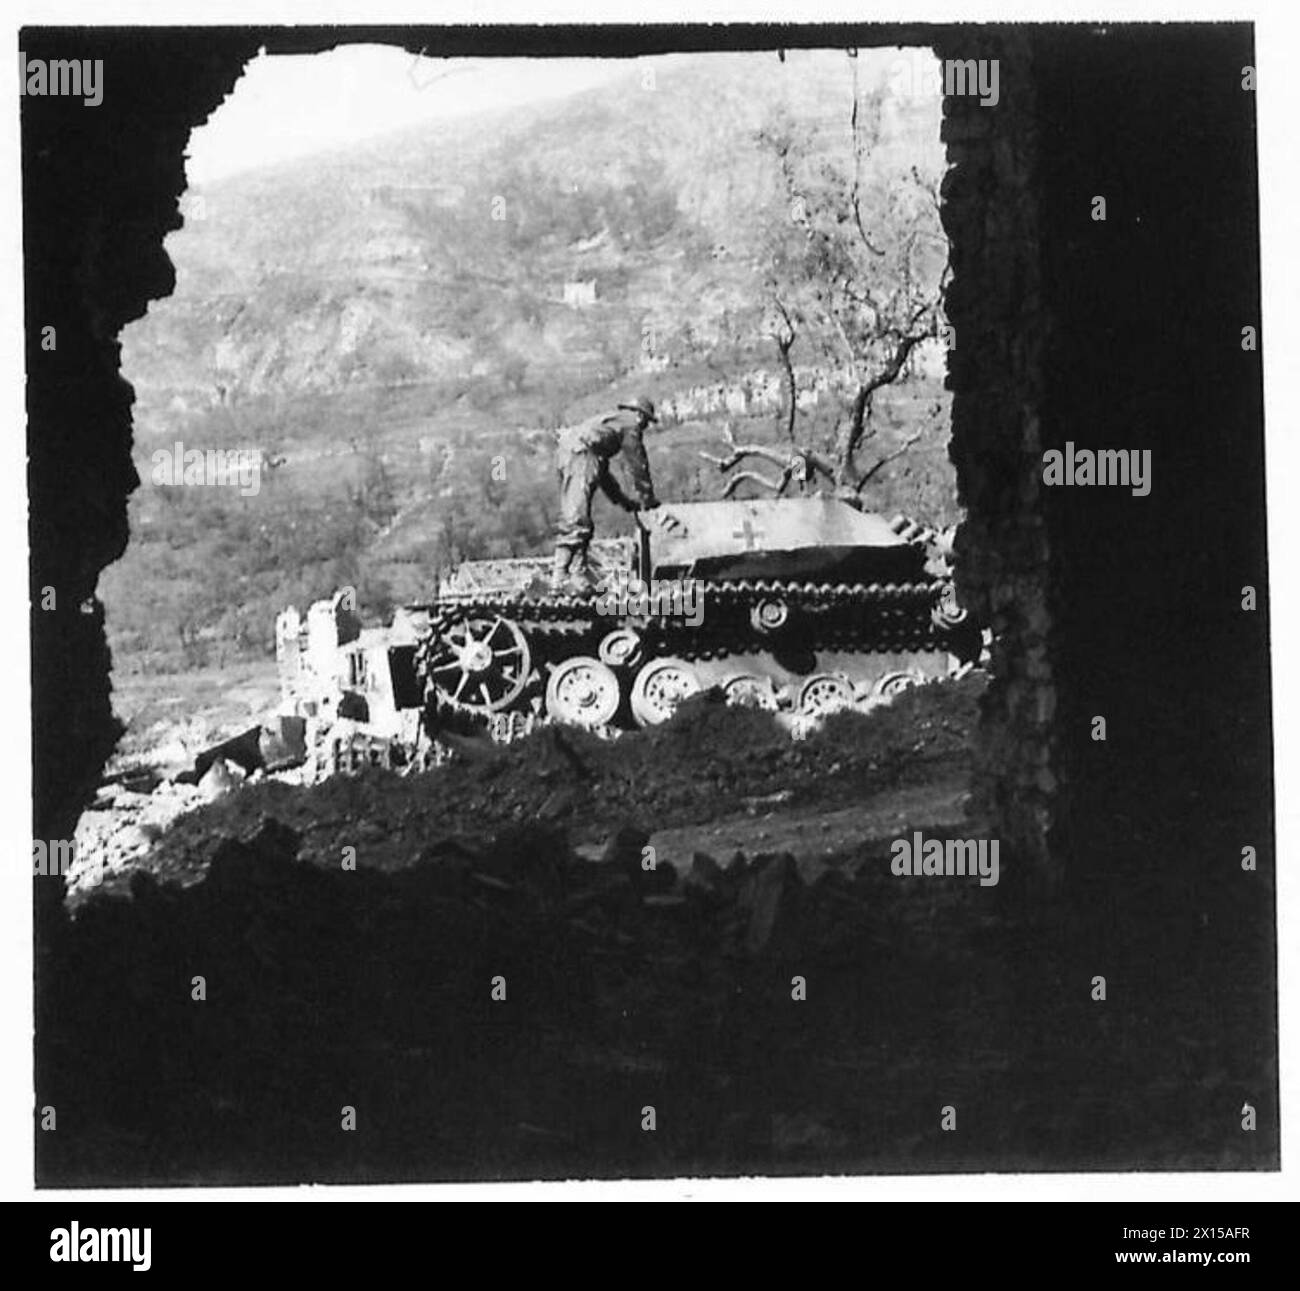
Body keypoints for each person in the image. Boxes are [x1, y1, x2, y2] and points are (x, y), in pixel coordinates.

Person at [550, 396, 661, 592]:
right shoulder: (629, 423)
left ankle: (576, 573)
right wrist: (647, 499)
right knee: (576, 519)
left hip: (570, 453)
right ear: (639, 415)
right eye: (646, 421)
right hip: (578, 454)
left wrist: (624, 501)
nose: (644, 427)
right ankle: (560, 577)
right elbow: (637, 463)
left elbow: (603, 476)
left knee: (579, 518)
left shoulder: (604, 431)